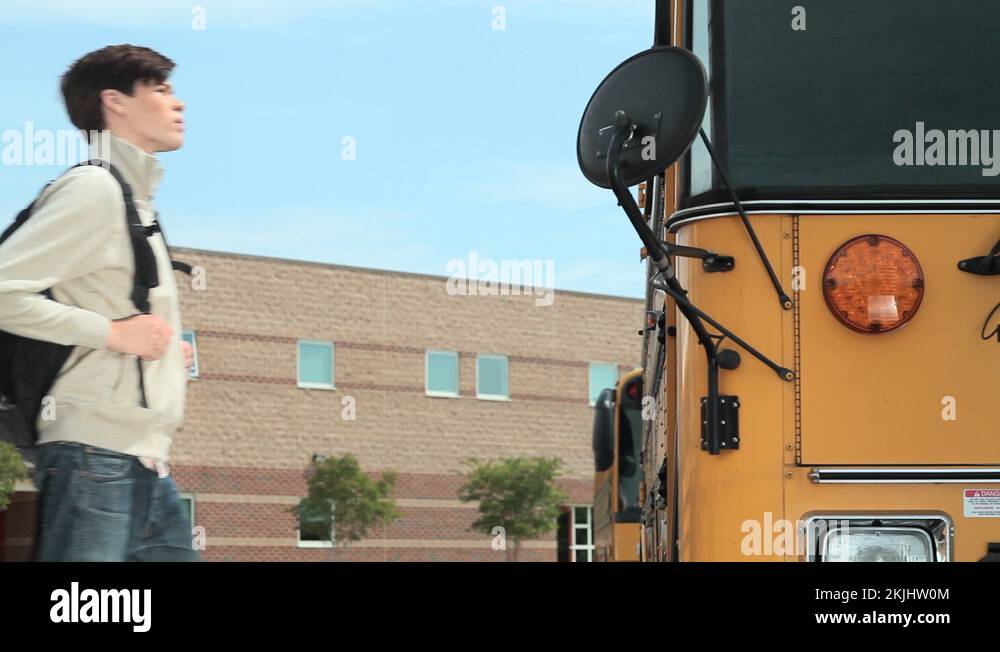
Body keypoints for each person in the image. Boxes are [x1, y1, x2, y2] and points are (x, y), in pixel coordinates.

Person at [0, 44, 198, 561]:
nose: (177, 103)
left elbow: (116, 307)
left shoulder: (137, 202)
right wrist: (113, 335)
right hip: (95, 456)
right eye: (160, 89)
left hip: (143, 459)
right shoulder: (94, 190)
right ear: (116, 102)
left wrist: (163, 361)